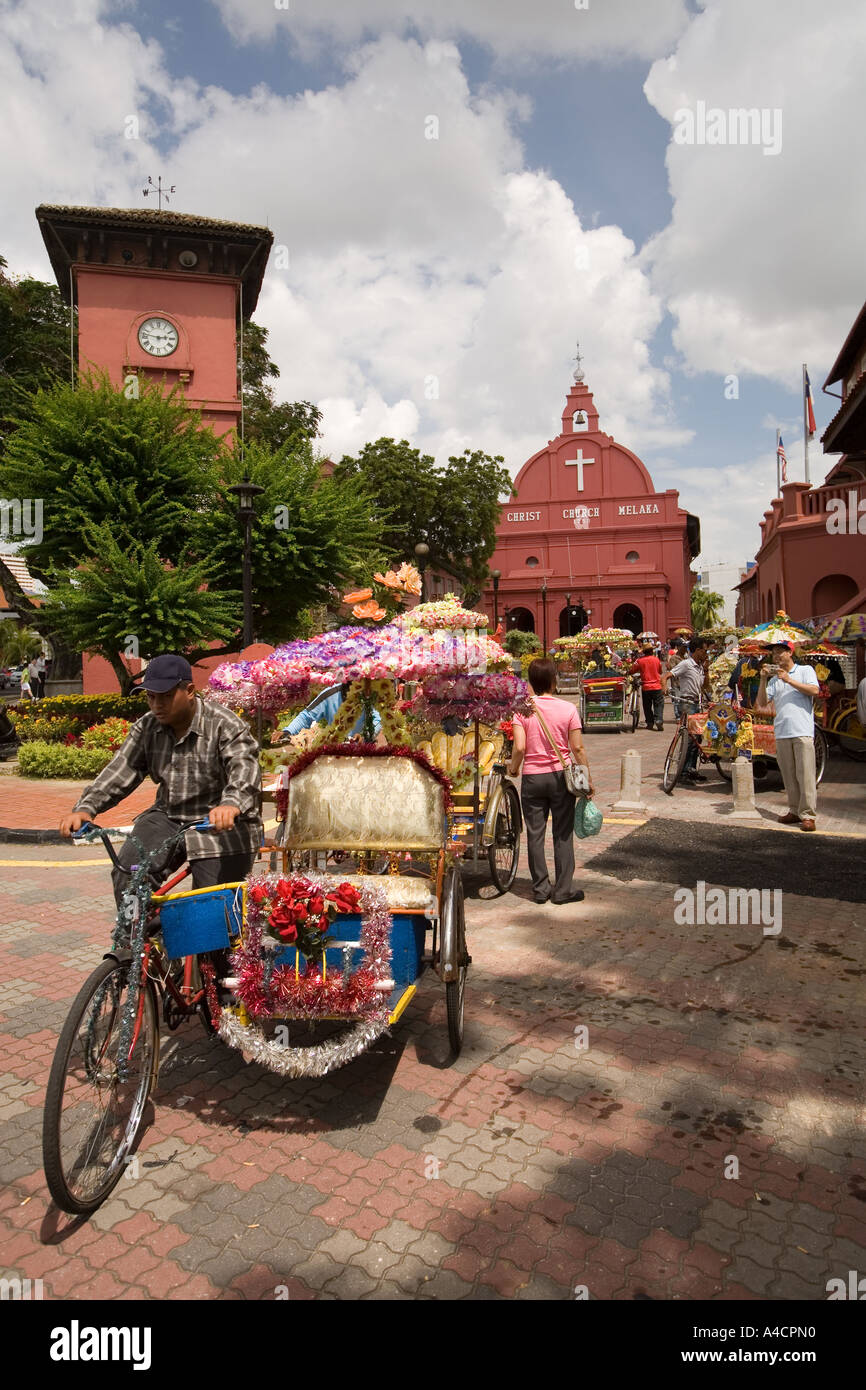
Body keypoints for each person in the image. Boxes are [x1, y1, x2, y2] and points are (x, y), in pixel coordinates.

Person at [59, 654, 262, 905]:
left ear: (189, 690)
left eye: (165, 696)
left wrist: (231, 803)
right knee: (130, 878)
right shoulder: (147, 727)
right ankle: (141, 938)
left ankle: (205, 939)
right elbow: (122, 769)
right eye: (151, 697)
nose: (157, 705)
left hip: (220, 821)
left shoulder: (225, 724)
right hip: (169, 815)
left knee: (212, 907)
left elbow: (245, 769)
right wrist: (86, 808)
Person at [508, 658, 594, 905]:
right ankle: (563, 890)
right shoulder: (568, 709)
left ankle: (541, 889)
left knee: (535, 834)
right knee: (562, 833)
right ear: (554, 680)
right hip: (560, 777)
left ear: (531, 682)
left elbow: (520, 747)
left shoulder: (521, 709)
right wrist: (586, 778)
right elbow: (577, 748)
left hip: (533, 778)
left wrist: (514, 769)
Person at [753, 641, 820, 831]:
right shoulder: (774, 680)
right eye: (773, 653)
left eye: (780, 652)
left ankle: (808, 815)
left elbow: (814, 690)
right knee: (788, 774)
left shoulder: (805, 670)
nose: (776, 656)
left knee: (805, 774)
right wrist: (764, 679)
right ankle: (794, 810)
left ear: (790, 653)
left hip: (802, 731)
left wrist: (789, 680)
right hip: (782, 731)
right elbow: (762, 703)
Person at [663, 637, 709, 783]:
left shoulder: (700, 666)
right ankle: (683, 772)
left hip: (698, 702)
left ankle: (692, 769)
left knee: (698, 738)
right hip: (688, 703)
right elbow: (666, 676)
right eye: (704, 650)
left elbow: (705, 686)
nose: (706, 653)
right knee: (689, 739)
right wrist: (664, 687)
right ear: (697, 650)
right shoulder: (686, 664)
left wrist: (707, 671)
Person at [281, 681, 381, 740]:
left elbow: (378, 720)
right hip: (334, 752)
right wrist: (288, 731)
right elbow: (307, 716)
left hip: (363, 753)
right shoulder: (330, 693)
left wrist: (365, 736)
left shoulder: (369, 695)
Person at [631, 644, 664, 730]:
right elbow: (660, 671)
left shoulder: (640, 661)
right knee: (658, 704)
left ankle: (650, 722)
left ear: (644, 652)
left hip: (646, 687)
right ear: (651, 651)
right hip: (657, 686)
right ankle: (659, 720)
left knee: (647, 705)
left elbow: (632, 670)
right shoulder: (656, 659)